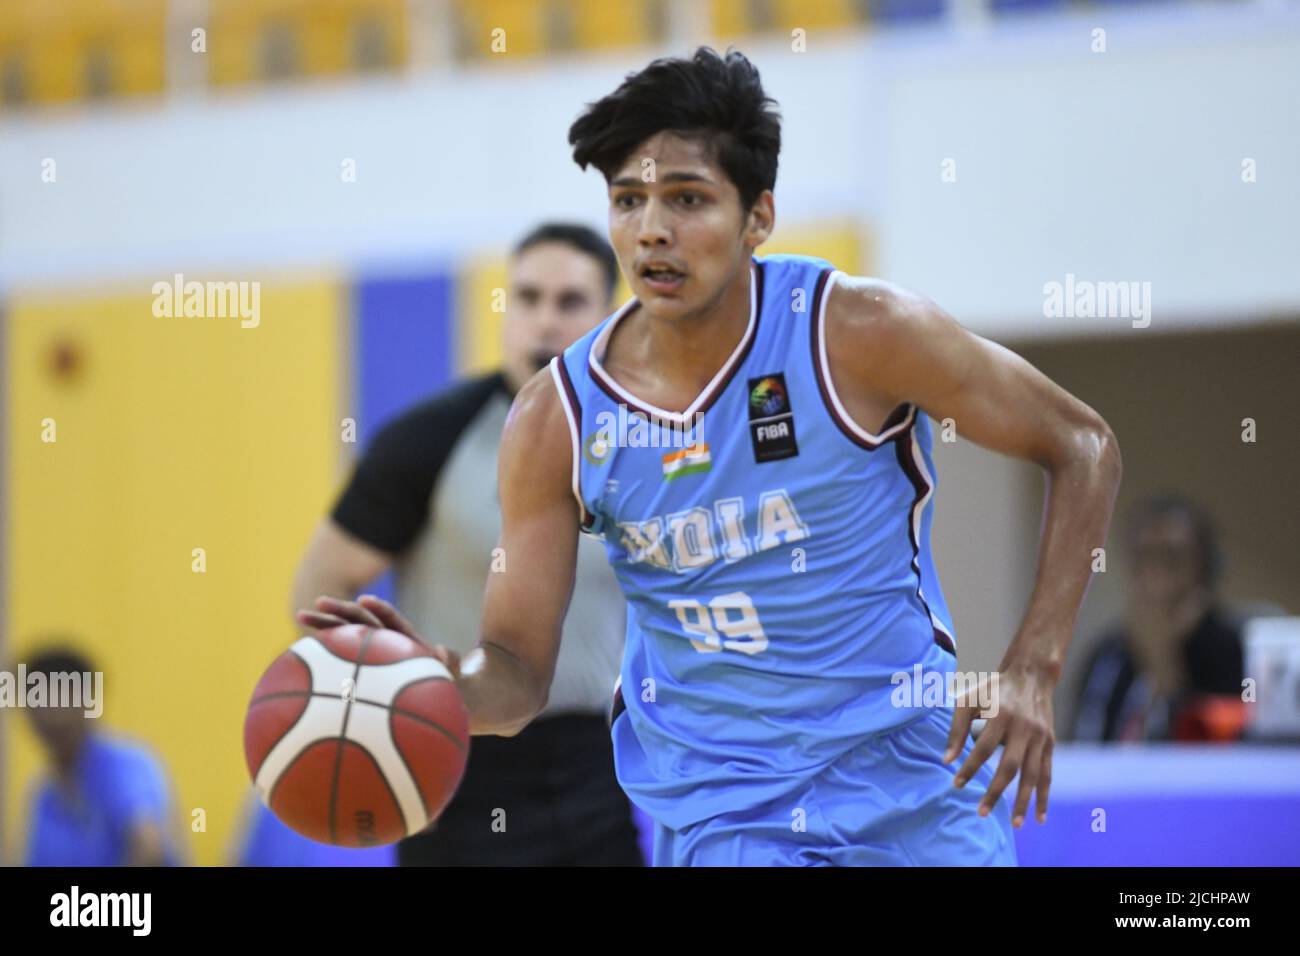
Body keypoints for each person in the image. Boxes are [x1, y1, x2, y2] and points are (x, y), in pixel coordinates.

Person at [299, 48, 1122, 866]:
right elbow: (516, 673)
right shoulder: (558, 418)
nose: (652, 228)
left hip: (912, 785)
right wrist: (438, 677)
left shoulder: (859, 335)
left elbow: (1082, 445)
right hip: (729, 816)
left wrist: (1033, 669)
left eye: (687, 199)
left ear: (758, 217)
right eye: (629, 201)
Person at [292, 223, 643, 866]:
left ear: (610, 315)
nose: (545, 321)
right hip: (453, 758)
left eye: (569, 302)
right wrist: (381, 729)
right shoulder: (430, 437)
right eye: (528, 298)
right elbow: (320, 583)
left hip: (595, 767)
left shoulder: (646, 440)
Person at [1072, 494, 1246, 742]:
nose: (1156, 573)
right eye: (1145, 556)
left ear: (1205, 567)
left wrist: (1163, 660)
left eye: (1171, 557)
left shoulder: (1231, 649)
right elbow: (1083, 738)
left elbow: (1223, 750)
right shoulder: (1107, 652)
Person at [20, 646, 181, 866]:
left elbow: (149, 846)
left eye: (65, 700)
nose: (55, 715)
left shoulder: (126, 767)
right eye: (41, 701)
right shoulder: (43, 794)